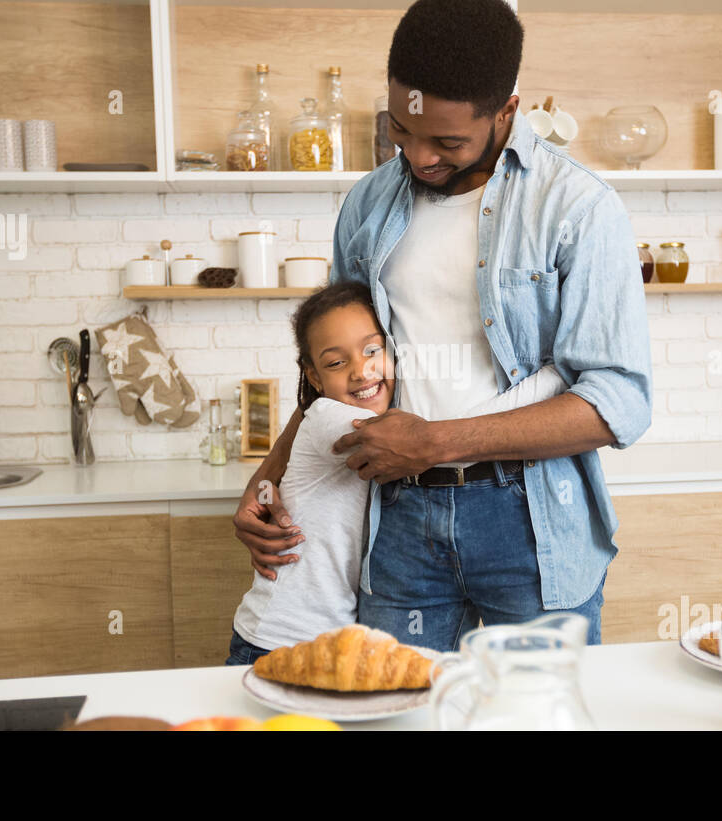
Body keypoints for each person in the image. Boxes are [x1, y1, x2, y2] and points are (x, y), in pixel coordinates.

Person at [233, 0, 651, 652]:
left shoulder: (577, 207)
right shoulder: (367, 205)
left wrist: (437, 441)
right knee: (398, 715)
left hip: (530, 520)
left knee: (533, 718)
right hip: (397, 523)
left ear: (506, 113)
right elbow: (339, 372)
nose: (419, 157)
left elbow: (618, 402)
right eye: (402, 130)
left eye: (447, 142)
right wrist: (269, 479)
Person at [226, 281, 566, 665]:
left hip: (327, 638)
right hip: (278, 637)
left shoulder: (364, 416)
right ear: (315, 378)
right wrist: (553, 379)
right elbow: (433, 437)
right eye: (336, 363)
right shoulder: (329, 419)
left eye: (372, 350)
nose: (360, 371)